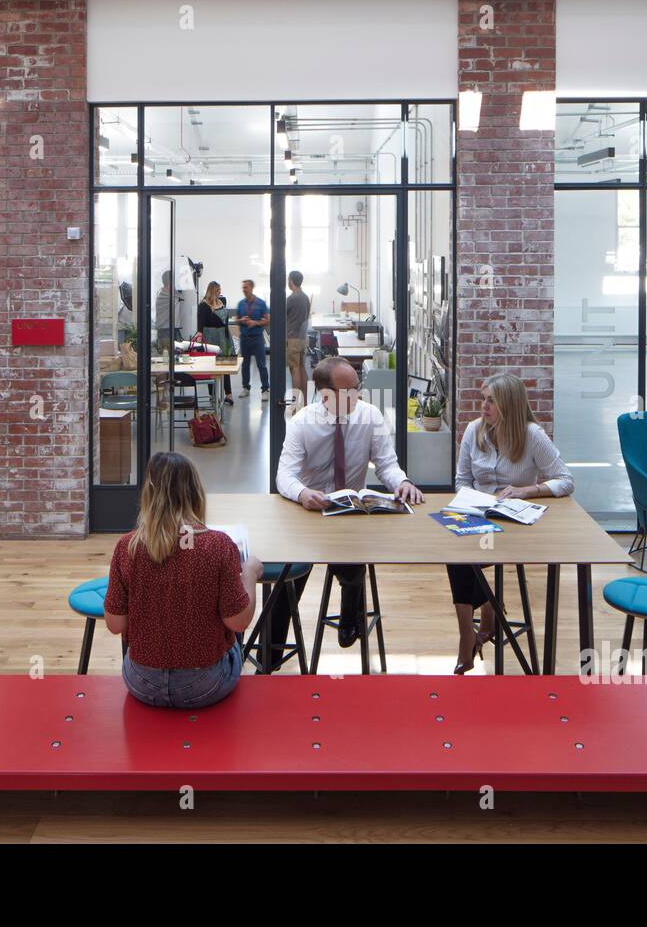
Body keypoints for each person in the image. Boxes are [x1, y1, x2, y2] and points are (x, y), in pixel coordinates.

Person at [277, 356, 423, 648]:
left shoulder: (370, 416)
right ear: (325, 394)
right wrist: (303, 493)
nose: (356, 396)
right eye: (348, 391)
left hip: (351, 513)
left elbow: (387, 465)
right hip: (311, 514)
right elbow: (284, 475)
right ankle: (272, 652)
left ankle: (350, 620)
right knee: (287, 581)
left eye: (357, 388)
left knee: (353, 566)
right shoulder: (302, 422)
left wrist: (402, 482)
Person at [103, 452, 264, 708]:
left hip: (141, 681)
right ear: (195, 492)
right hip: (205, 684)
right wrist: (250, 574)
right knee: (233, 621)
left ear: (148, 494)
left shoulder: (127, 547)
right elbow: (238, 622)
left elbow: (114, 624)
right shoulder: (219, 545)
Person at [449, 373, 574, 673]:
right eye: (483, 399)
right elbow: (462, 481)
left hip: (514, 524)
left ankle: (481, 619)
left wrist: (528, 490)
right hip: (479, 517)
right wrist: (471, 502)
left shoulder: (532, 435)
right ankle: (472, 626)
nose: (484, 406)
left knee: (462, 557)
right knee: (454, 554)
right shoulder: (473, 431)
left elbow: (566, 480)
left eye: (491, 400)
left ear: (510, 404)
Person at [196, 281, 234, 406]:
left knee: (226, 367)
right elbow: (200, 325)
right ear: (213, 291)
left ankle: (228, 395)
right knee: (211, 368)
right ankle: (212, 396)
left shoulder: (221, 302)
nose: (220, 292)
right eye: (218, 290)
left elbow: (225, 321)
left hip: (224, 338)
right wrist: (199, 339)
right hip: (211, 339)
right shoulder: (203, 306)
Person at [236, 278, 270, 400]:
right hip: (244, 338)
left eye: (245, 287)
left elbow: (267, 320)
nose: (243, 289)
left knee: (261, 364)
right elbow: (236, 319)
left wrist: (255, 323)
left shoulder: (261, 303)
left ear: (251, 288)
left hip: (257, 338)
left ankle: (265, 389)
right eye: (243, 287)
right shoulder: (240, 304)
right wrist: (242, 320)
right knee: (245, 365)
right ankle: (246, 388)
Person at [285, 270, 311, 406]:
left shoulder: (292, 298)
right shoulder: (305, 297)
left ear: (291, 281)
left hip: (292, 338)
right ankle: (305, 402)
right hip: (302, 337)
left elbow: (280, 314)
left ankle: (295, 403)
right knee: (302, 369)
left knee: (294, 369)